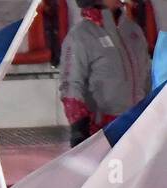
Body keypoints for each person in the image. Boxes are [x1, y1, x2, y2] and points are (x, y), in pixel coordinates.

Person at [59, 0, 150, 146]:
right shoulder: (80, 35)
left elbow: (146, 79)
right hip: (104, 132)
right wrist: (79, 128)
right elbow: (71, 84)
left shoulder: (134, 31)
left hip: (138, 129)